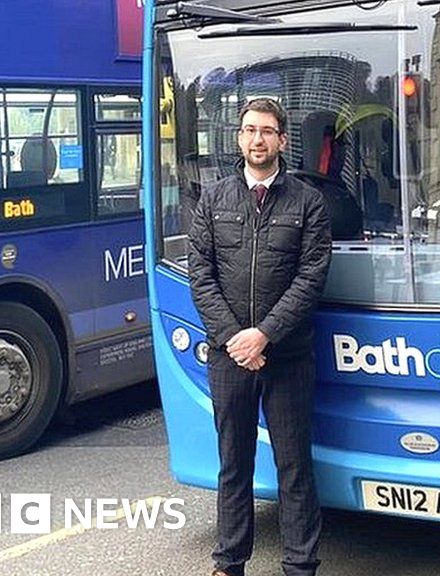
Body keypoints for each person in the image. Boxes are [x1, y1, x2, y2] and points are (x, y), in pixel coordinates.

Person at [188, 97, 332, 576]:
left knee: (294, 467)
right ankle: (229, 563)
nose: (257, 139)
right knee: (234, 464)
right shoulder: (213, 200)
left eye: (267, 131)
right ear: (239, 138)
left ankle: (300, 566)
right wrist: (236, 338)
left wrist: (265, 335)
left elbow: (310, 278)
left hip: (287, 357)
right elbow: (200, 276)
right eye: (250, 130)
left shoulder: (308, 203)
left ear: (282, 140)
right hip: (229, 357)